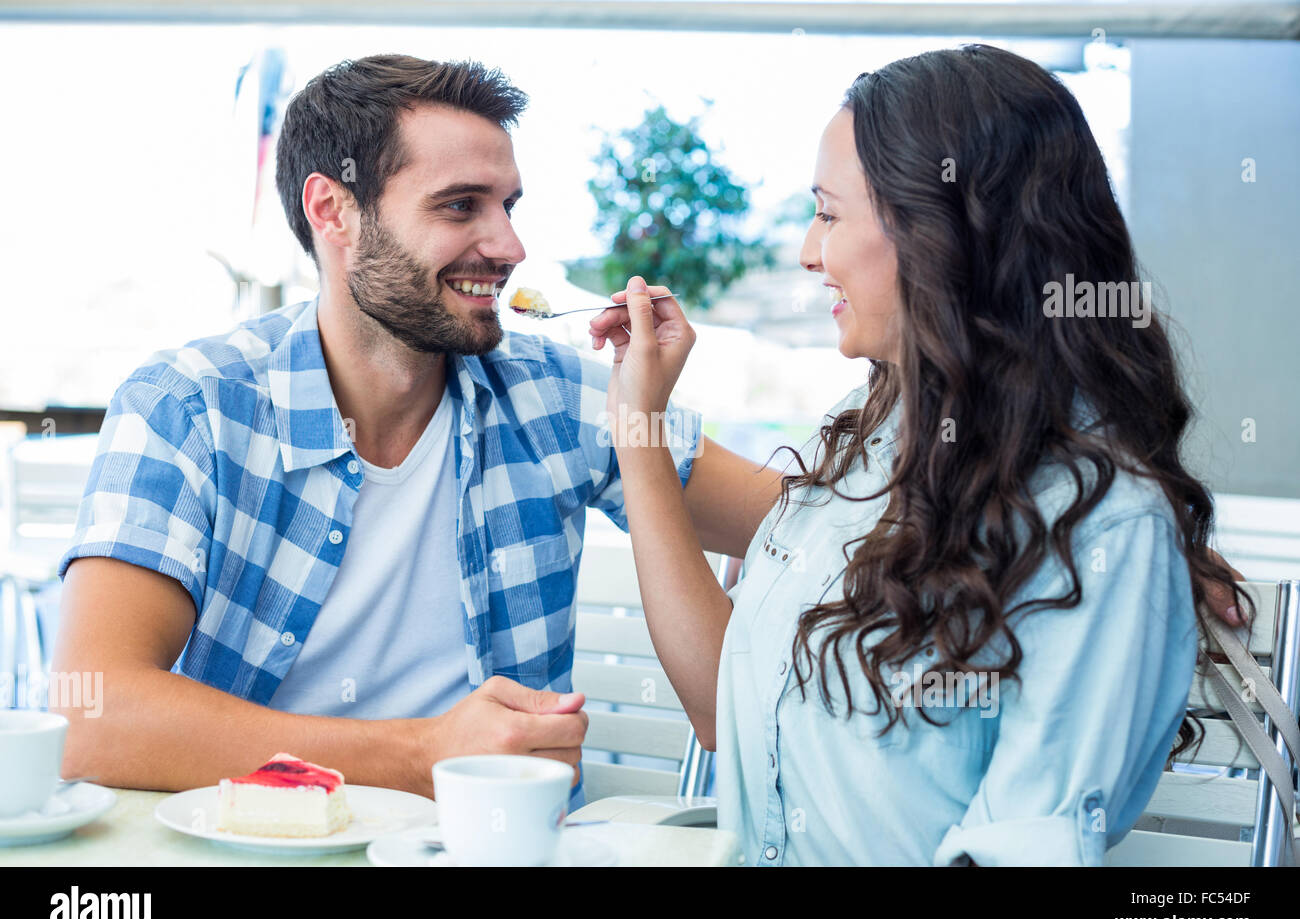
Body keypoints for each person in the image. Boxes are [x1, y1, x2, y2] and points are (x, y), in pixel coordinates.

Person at [50, 54, 783, 805]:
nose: (509, 246)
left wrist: (653, 438)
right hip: (262, 850)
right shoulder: (189, 408)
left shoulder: (559, 399)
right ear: (332, 211)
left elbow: (823, 524)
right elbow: (91, 713)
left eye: (508, 206)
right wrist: (422, 755)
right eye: (461, 206)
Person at [588, 43, 1250, 864]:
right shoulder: (858, 437)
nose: (805, 251)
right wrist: (637, 420)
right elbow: (726, 714)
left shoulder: (1105, 528)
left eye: (828, 214)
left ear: (942, 232)